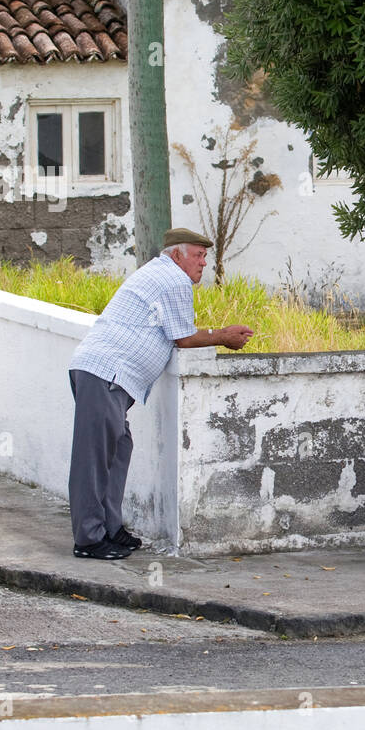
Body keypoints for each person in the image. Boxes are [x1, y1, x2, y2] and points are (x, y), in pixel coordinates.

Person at [67, 228, 254, 559]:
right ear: (178, 254)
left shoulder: (159, 274)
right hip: (105, 374)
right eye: (198, 255)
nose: (204, 263)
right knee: (93, 460)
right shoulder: (173, 279)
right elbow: (183, 337)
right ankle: (88, 540)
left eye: (205, 256)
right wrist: (224, 335)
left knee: (118, 450)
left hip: (108, 376)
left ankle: (110, 528)